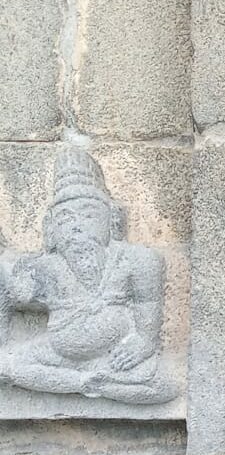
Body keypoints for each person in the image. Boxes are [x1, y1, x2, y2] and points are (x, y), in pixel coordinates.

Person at [0, 148, 176, 405]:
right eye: (65, 219)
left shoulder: (139, 260)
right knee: (5, 367)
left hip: (116, 354)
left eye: (89, 214)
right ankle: (86, 383)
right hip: (58, 353)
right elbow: (17, 296)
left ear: (112, 220)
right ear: (51, 229)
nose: (77, 226)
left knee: (162, 385)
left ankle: (85, 380)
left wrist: (143, 344)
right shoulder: (46, 265)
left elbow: (147, 308)